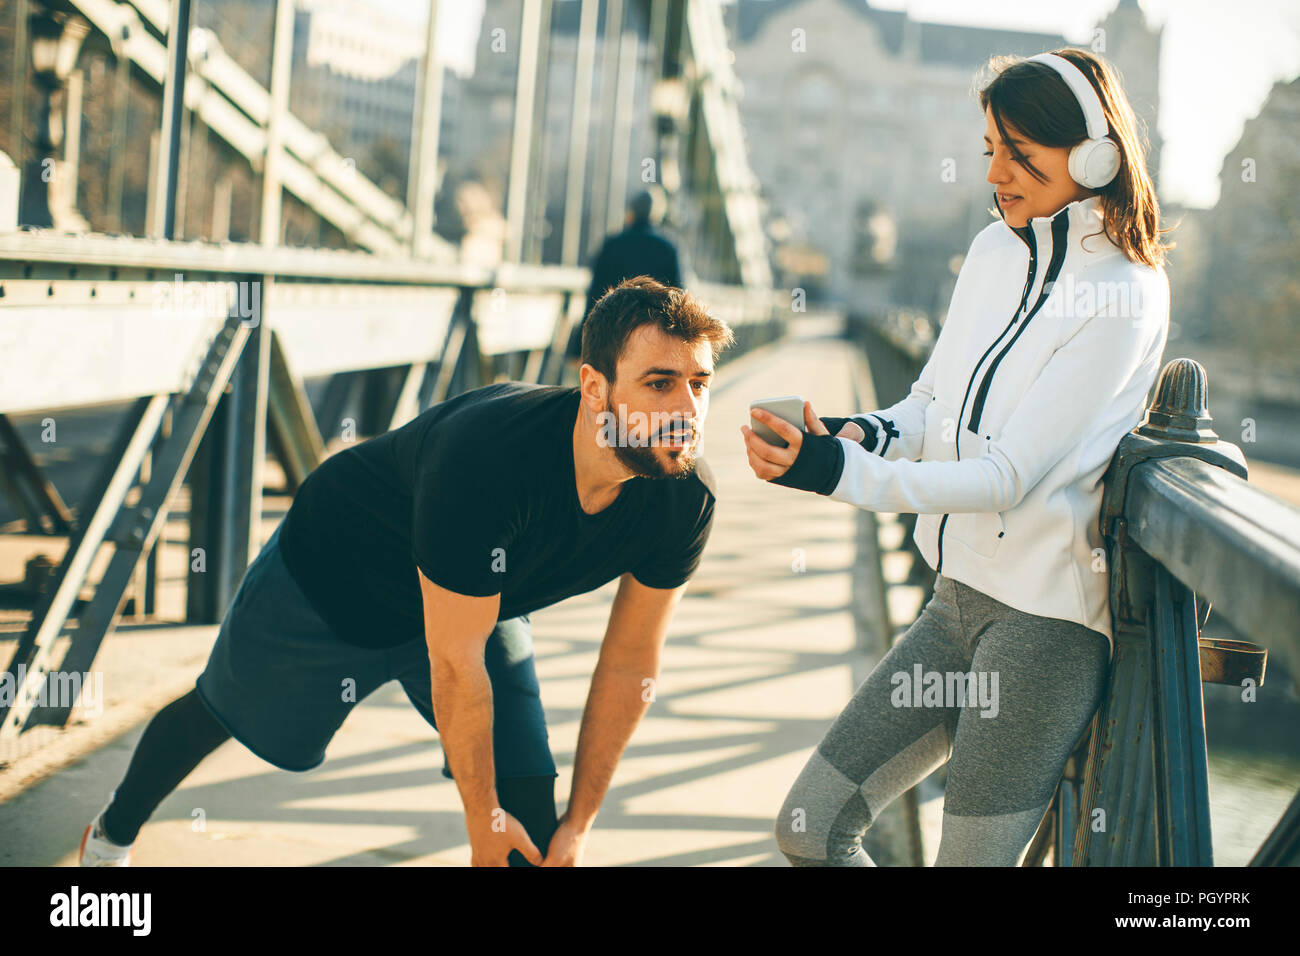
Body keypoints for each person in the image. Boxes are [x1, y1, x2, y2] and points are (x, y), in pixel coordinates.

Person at [79, 276, 731, 867]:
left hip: (475, 603)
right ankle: (114, 830)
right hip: (329, 584)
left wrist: (579, 824)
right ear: (595, 388)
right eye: (659, 383)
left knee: (529, 826)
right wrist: (480, 823)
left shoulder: (683, 498)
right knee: (220, 710)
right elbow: (453, 663)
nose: (686, 408)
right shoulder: (489, 462)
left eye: (699, 383)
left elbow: (630, 663)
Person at [742, 49, 1171, 866]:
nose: (996, 175)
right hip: (953, 602)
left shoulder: (1126, 291)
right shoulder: (991, 254)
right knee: (809, 825)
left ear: (1094, 155)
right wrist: (849, 435)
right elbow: (932, 406)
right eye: (989, 152)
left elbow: (1006, 476)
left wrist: (833, 477)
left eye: (1019, 153)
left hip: (1043, 632)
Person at [565, 189, 683, 375]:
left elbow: (595, 297)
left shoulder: (612, 245)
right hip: (653, 340)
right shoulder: (668, 249)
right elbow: (678, 301)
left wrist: (579, 347)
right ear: (657, 216)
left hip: (613, 337)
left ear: (630, 213)